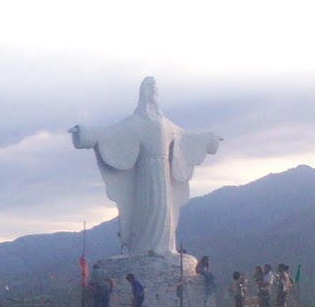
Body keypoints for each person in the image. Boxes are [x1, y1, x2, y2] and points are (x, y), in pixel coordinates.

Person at [70, 77, 222, 256]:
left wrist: (209, 139)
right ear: (142, 94)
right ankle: (143, 246)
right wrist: (86, 134)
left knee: (164, 209)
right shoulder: (136, 121)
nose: (152, 93)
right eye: (149, 89)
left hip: (163, 172)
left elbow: (188, 137)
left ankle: (164, 246)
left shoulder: (166, 124)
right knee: (146, 207)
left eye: (155, 90)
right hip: (145, 172)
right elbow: (110, 133)